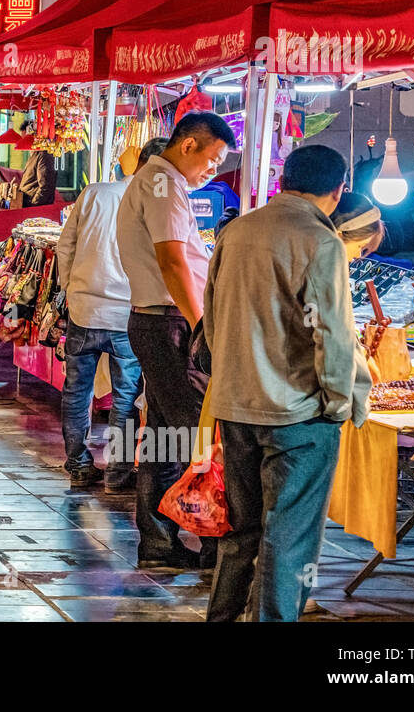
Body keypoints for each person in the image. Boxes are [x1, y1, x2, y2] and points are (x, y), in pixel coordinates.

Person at [204, 146, 371, 622]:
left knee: (242, 530)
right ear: (338, 192)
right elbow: (334, 334)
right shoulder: (320, 241)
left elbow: (212, 319)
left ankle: (221, 617)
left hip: (236, 404)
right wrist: (340, 402)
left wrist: (232, 379)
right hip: (298, 416)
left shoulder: (237, 231)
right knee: (289, 540)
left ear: (284, 179)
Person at [116, 111, 235, 571]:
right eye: (213, 158)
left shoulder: (158, 183)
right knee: (197, 433)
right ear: (188, 145)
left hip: (158, 322)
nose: (214, 170)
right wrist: (201, 324)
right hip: (169, 323)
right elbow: (172, 262)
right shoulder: (163, 185)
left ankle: (160, 542)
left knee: (165, 435)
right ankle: (212, 544)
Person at [56, 138, 169, 494]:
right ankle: (118, 474)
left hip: (85, 310)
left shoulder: (94, 193)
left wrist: (70, 287)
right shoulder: (157, 204)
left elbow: (65, 245)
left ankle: (78, 465)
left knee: (77, 392)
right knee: (125, 397)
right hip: (127, 315)